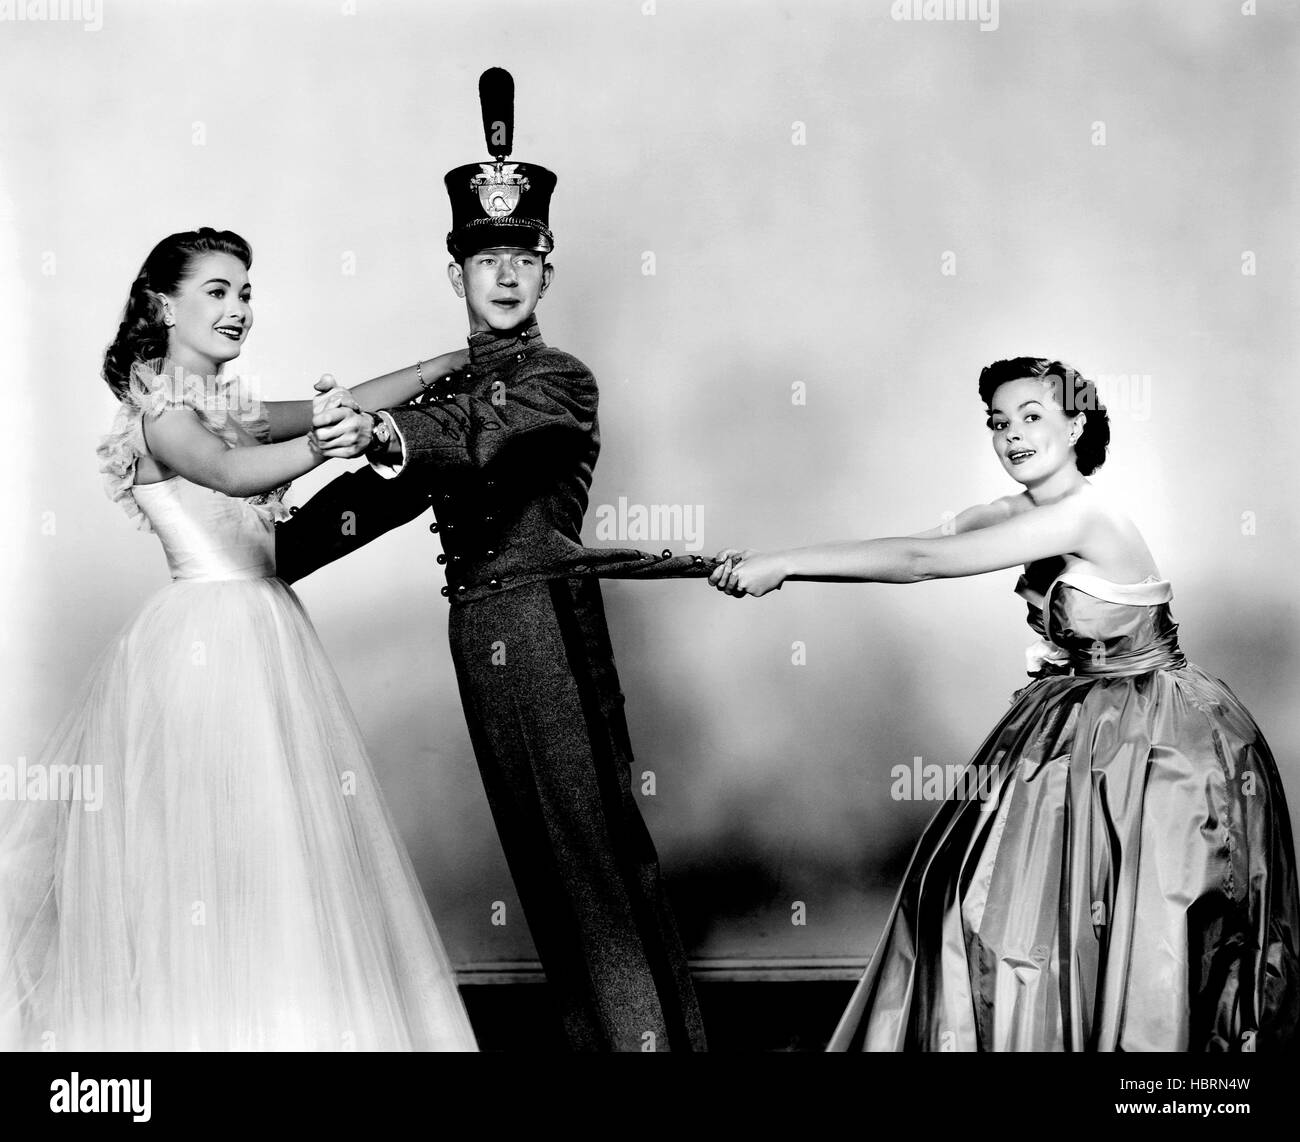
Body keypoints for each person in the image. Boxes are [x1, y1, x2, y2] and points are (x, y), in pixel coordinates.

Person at [275, 69, 713, 1051]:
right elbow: (369, 503)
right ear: (455, 275)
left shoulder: (560, 380)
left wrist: (383, 429)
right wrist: (262, 544)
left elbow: (477, 436)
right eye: (486, 259)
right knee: (548, 866)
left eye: (522, 257)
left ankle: (647, 1045)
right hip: (479, 630)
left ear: (546, 273)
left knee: (594, 864)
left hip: (544, 626)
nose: (505, 274)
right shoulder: (442, 392)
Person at [710, 357, 1300, 1051]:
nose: (1013, 435)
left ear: (1075, 424)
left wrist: (785, 567)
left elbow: (920, 566)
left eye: (1032, 417)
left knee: (1136, 932)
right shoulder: (1023, 510)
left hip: (1160, 741)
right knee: (969, 905)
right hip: (1078, 724)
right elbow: (925, 543)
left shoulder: (1087, 515)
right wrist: (779, 556)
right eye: (999, 422)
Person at [0, 227, 477, 1051]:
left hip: (267, 629)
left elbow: (356, 398)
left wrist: (450, 363)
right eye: (217, 291)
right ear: (164, 304)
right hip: (206, 646)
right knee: (219, 854)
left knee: (287, 846)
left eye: (246, 292)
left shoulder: (232, 409)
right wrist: (323, 443)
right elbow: (225, 474)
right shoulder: (156, 416)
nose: (238, 309)